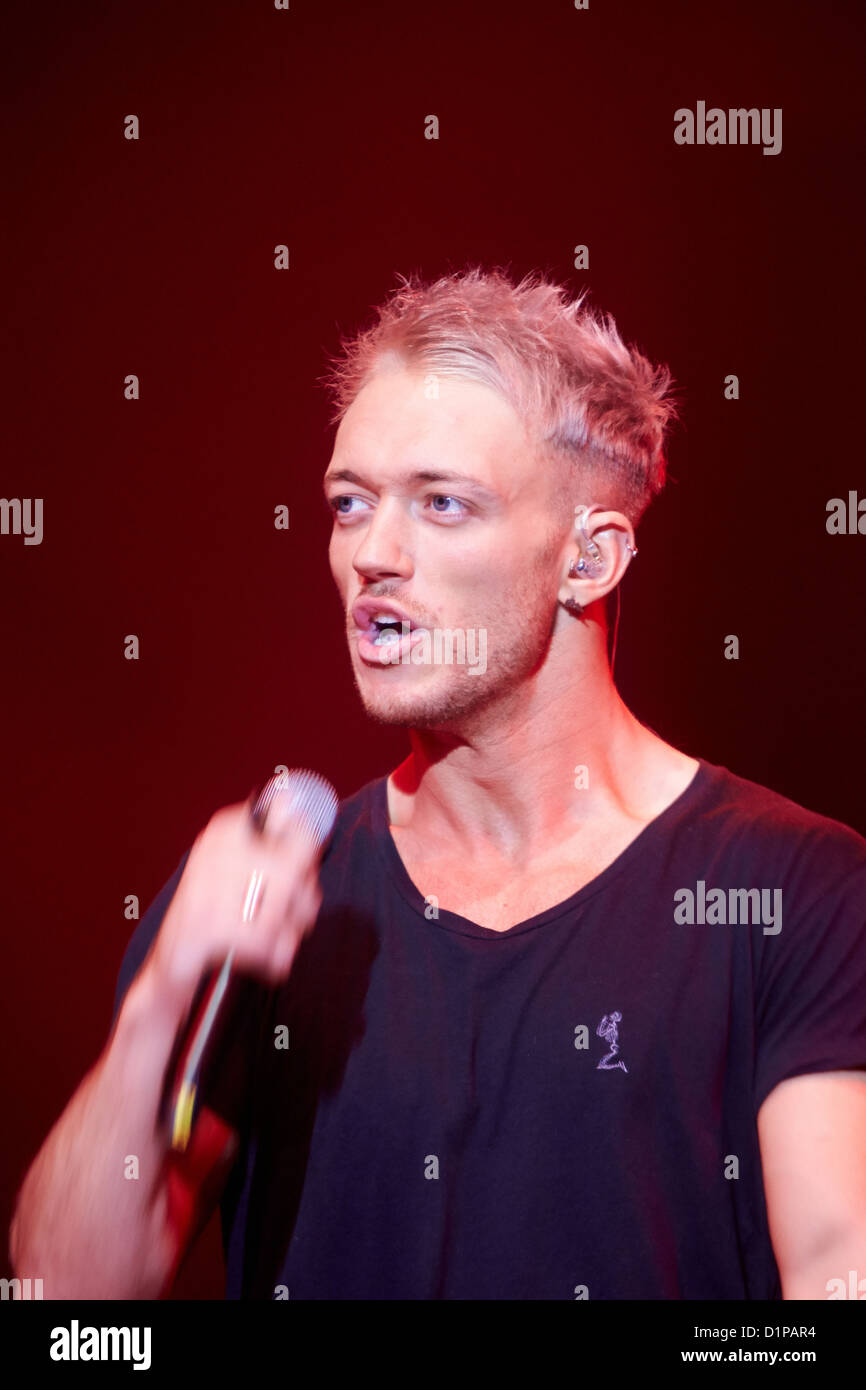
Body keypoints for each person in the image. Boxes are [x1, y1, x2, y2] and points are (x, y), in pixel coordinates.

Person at [11, 267, 866, 1300]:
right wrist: (161, 998)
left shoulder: (794, 889)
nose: (371, 553)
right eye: (348, 503)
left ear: (588, 560)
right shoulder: (279, 893)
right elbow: (65, 1296)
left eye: (442, 503)